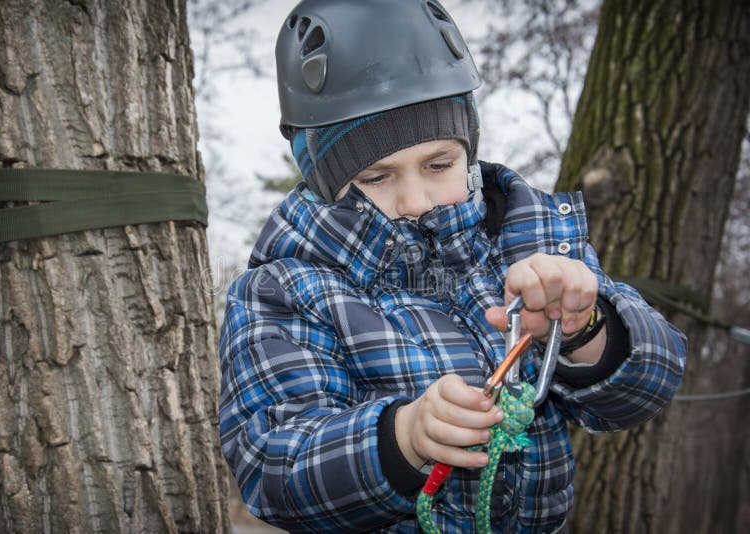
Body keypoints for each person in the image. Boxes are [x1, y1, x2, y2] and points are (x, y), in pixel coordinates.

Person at [218, 0, 687, 532]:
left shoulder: (529, 238)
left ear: (469, 147)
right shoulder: (285, 290)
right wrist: (405, 436)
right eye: (376, 177)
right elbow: (273, 469)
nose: (416, 199)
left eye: (439, 165)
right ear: (326, 182)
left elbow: (649, 389)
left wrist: (586, 330)